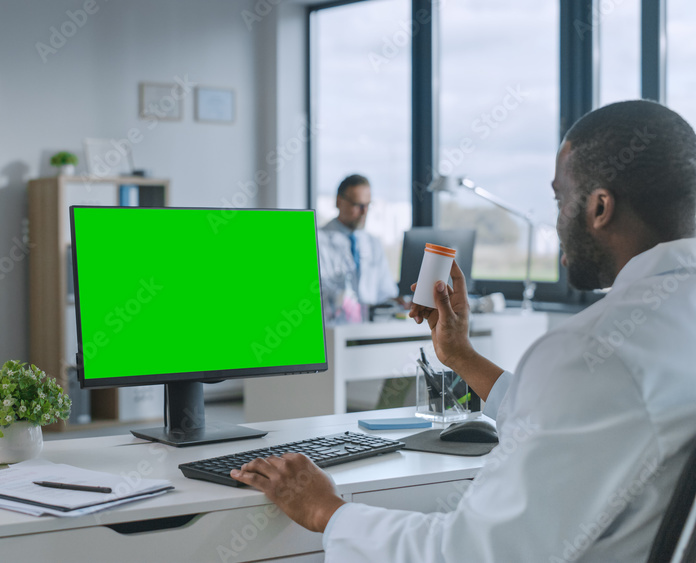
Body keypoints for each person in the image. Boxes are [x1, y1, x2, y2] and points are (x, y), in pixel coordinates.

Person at [231, 100, 696, 561]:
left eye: (559, 199)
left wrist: (326, 512)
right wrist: (460, 356)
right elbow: (584, 416)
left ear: (599, 207)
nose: (556, 221)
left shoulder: (591, 348)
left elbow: (469, 554)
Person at [317, 174, 400, 323]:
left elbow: (386, 292)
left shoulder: (373, 243)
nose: (364, 212)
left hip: (369, 330)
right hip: (332, 329)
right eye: (358, 205)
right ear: (338, 201)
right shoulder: (317, 240)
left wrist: (399, 302)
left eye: (368, 205)